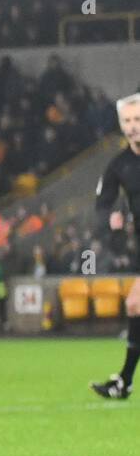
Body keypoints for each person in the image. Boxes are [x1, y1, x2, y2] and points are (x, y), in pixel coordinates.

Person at [90, 92, 140, 399]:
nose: (133, 126)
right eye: (127, 121)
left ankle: (124, 381)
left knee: (135, 304)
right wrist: (112, 219)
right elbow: (102, 203)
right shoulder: (121, 164)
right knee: (135, 305)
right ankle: (124, 381)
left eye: (137, 119)